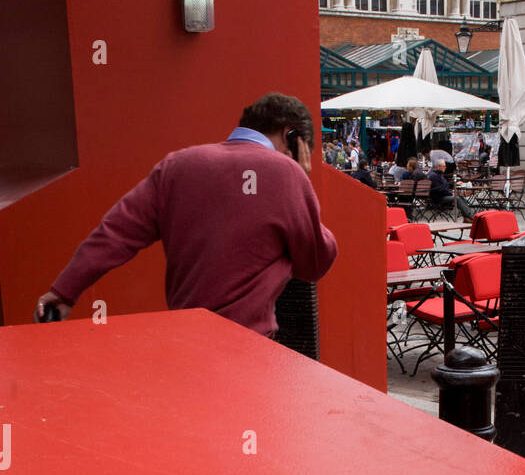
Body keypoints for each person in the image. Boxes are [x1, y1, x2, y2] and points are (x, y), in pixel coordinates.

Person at [34, 94, 338, 340]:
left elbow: (115, 234)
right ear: (292, 136)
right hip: (249, 345)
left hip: (186, 337)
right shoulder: (285, 173)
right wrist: (301, 177)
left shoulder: (176, 165)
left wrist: (63, 292)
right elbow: (313, 262)